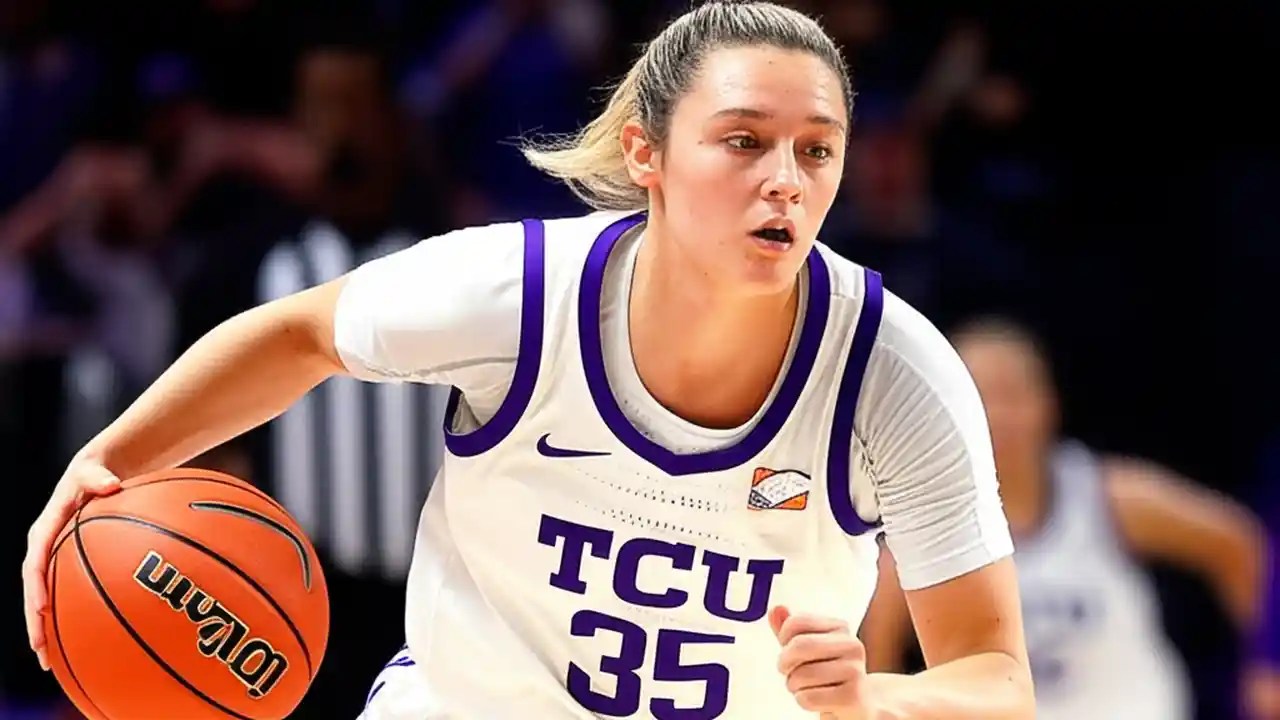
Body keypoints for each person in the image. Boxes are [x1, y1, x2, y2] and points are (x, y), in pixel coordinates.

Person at [23, 3, 1036, 718]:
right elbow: (299, 334)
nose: (785, 180)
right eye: (742, 141)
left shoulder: (891, 370)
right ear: (645, 155)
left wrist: (876, 706)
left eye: (816, 150)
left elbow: (994, 674)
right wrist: (106, 461)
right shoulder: (520, 295)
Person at [860, 315, 1271, 720]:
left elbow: (1239, 544)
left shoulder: (1111, 497)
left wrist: (1265, 660)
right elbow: (875, 675)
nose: (998, 415)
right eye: (980, 396)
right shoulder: (914, 538)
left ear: (1049, 403)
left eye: (1012, 394)